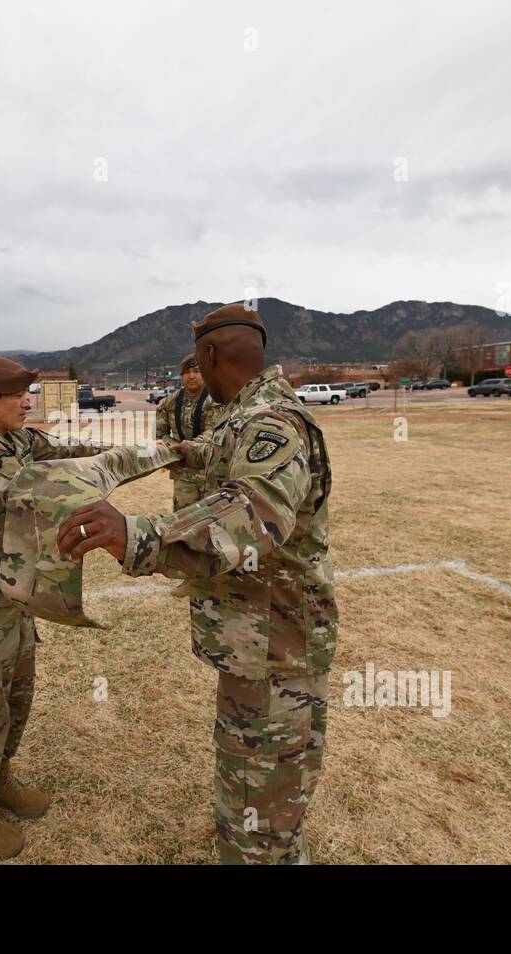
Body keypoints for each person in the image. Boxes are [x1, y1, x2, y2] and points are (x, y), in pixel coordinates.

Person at [55, 303, 339, 865]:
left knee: (259, 818)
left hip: (275, 649)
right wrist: (119, 461)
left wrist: (140, 534)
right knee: (253, 792)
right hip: (257, 646)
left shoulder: (272, 424)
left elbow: (253, 515)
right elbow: (206, 451)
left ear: (208, 356)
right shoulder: (240, 416)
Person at [0, 355, 107, 858]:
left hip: (15, 598)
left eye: (28, 393)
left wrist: (142, 453)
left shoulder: (20, 441)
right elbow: (26, 490)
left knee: (15, 700)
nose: (27, 401)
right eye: (17, 394)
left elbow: (71, 450)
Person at [154, 354, 224, 596]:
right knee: (184, 524)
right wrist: (175, 447)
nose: (191, 376)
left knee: (213, 523)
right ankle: (190, 578)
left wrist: (186, 447)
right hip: (184, 475)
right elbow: (160, 436)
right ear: (181, 376)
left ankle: (217, 575)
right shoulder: (168, 403)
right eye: (187, 372)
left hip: (209, 473)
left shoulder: (214, 402)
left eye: (196, 371)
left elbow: (213, 435)